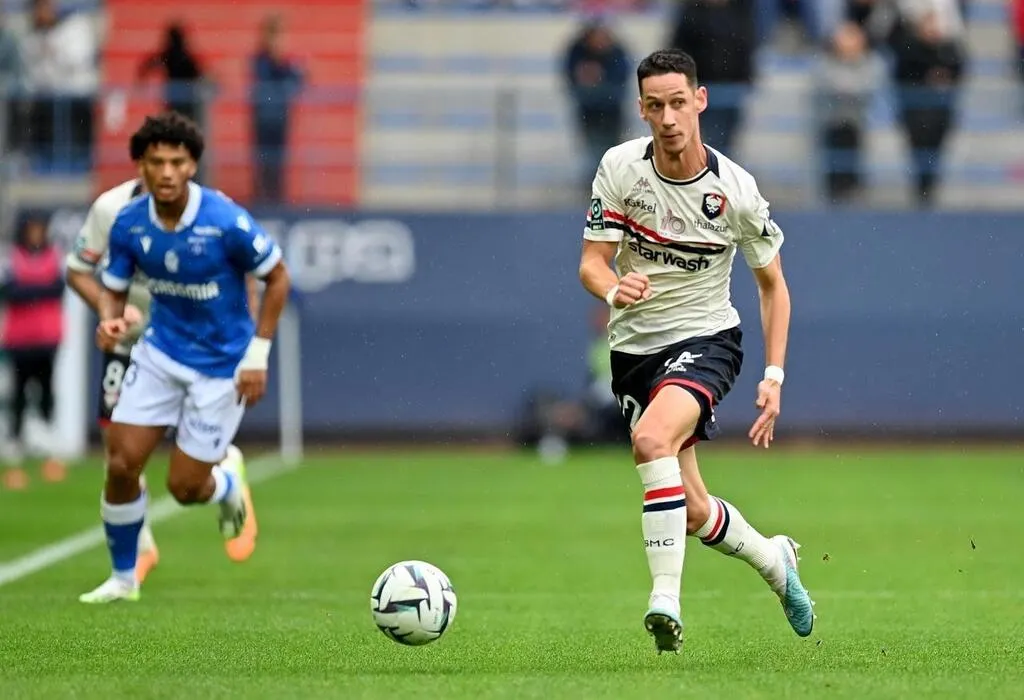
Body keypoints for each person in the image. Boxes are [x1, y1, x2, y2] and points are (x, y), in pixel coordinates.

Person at [577, 49, 814, 654]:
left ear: (700, 101)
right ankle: (774, 559)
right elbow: (591, 263)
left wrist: (774, 374)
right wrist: (613, 286)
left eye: (679, 103)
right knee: (688, 508)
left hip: (707, 341)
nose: (669, 118)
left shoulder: (734, 191)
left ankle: (665, 601)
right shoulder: (620, 169)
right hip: (634, 351)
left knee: (651, 440)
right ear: (641, 109)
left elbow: (773, 287)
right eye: (655, 106)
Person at [78, 111, 291, 603]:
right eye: (157, 162)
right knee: (121, 463)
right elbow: (112, 289)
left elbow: (277, 277)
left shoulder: (224, 221)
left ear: (193, 165)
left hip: (221, 367)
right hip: (160, 353)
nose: (168, 171)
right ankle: (124, 578)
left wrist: (257, 356)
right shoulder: (129, 224)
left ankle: (225, 483)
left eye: (177, 161)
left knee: (185, 488)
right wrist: (111, 319)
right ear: (142, 168)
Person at [0, 216, 67, 489]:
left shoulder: (54, 255)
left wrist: (29, 289)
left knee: (47, 394)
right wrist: (39, 289)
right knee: (18, 394)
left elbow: (59, 287)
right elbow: (9, 291)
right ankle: (14, 454)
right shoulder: (11, 257)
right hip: (19, 340)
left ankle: (50, 451)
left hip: (47, 338)